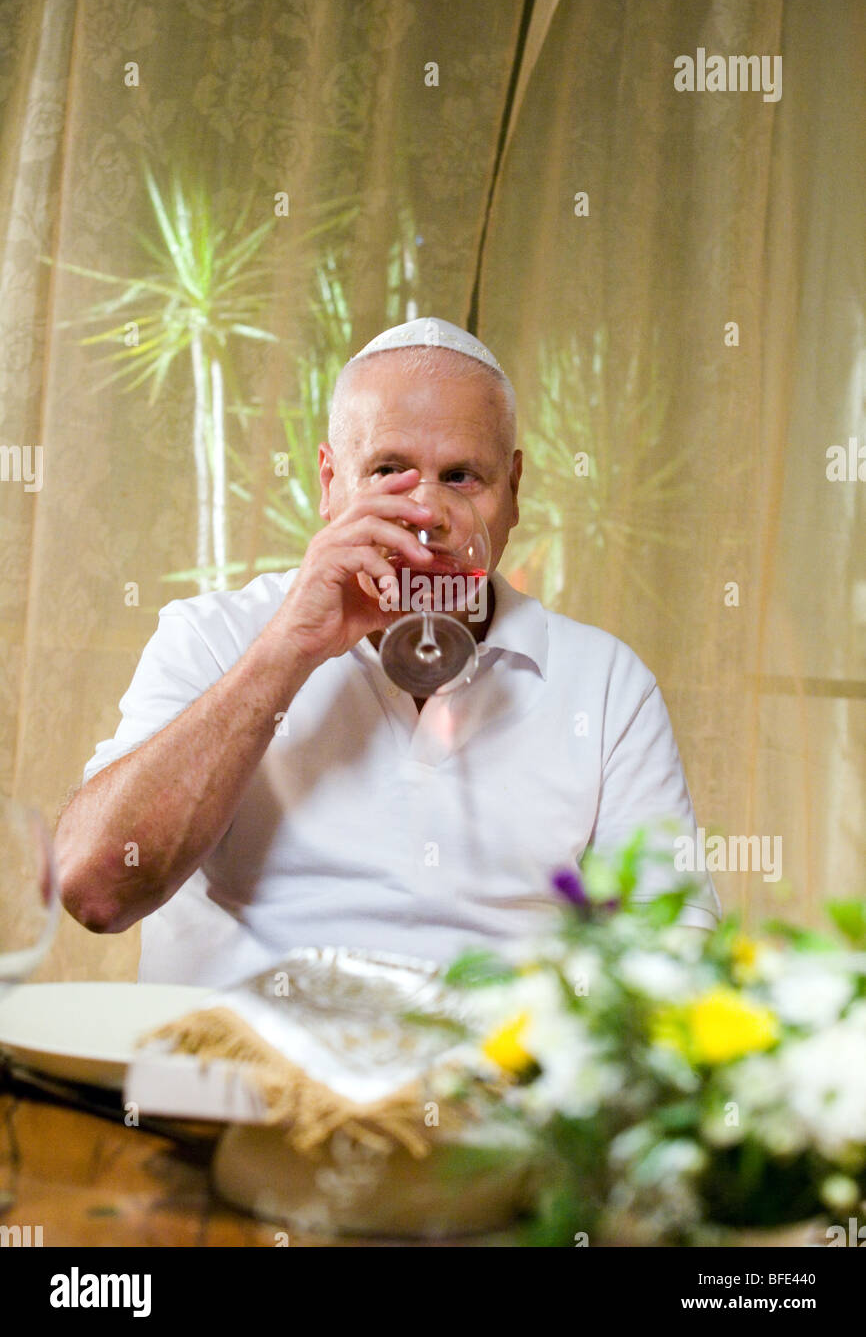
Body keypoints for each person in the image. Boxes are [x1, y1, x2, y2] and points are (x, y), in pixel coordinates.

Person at [55, 317, 721, 986]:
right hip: (237, 1074)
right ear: (329, 481)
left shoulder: (604, 683)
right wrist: (291, 647)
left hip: (491, 1078)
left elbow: (676, 959)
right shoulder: (212, 635)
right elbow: (96, 891)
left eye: (461, 476)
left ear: (513, 493)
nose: (427, 511)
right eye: (390, 471)